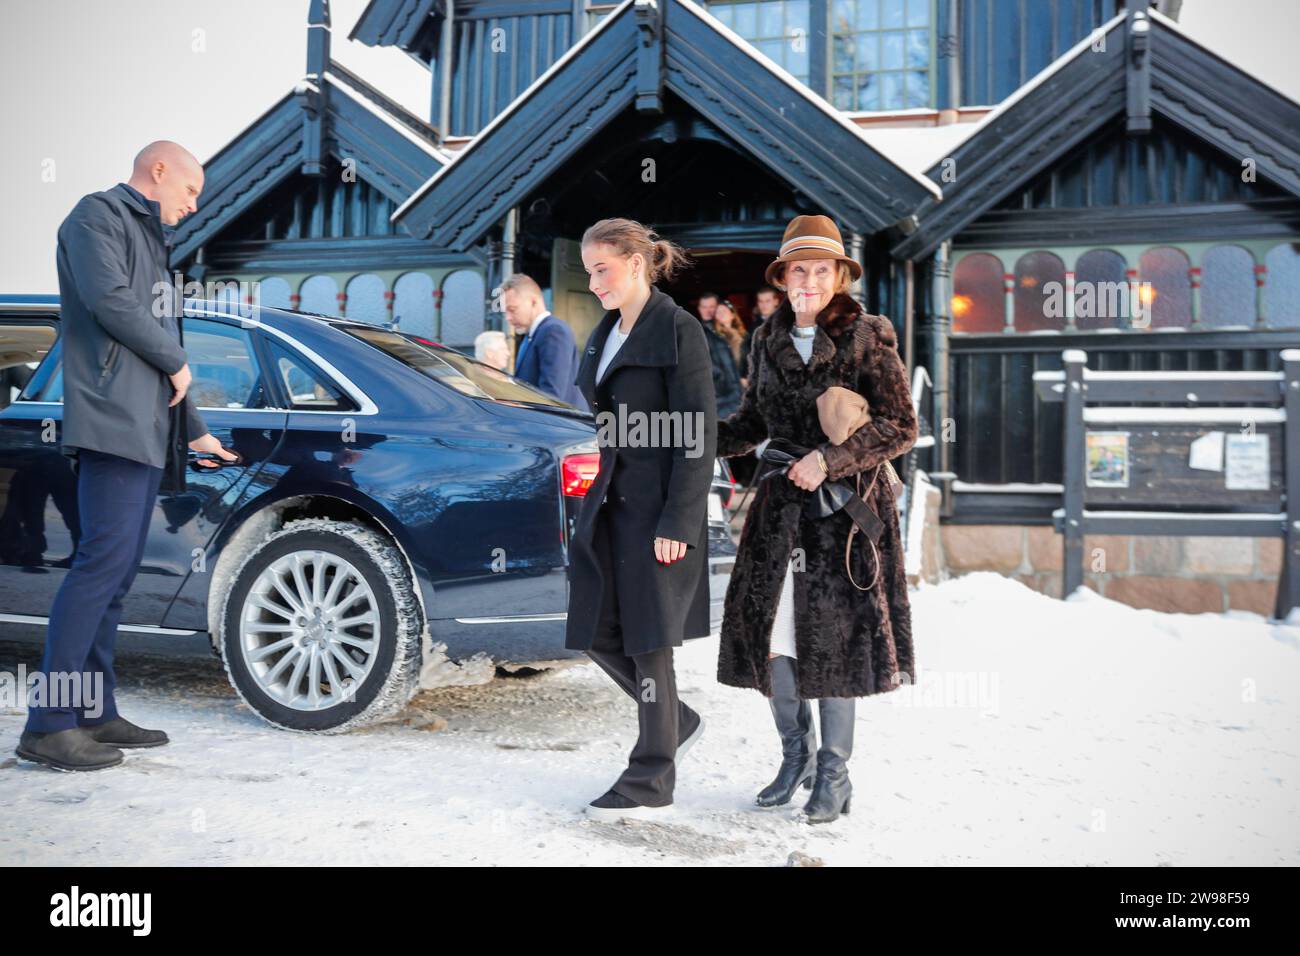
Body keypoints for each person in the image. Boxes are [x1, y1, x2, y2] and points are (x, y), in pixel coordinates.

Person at [17, 141, 238, 772]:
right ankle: (48, 724)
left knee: (114, 578)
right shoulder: (95, 217)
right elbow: (111, 302)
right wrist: (175, 362)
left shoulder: (154, 242)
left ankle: (94, 710)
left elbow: (164, 346)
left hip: (146, 429)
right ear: (159, 170)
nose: (194, 205)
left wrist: (194, 429)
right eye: (191, 190)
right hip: (111, 422)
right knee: (95, 572)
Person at [715, 214, 918, 823]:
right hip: (780, 509)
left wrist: (829, 459)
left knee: (831, 641)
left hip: (842, 515)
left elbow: (901, 426)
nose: (808, 278)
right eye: (797, 269)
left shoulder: (868, 334)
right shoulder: (764, 338)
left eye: (820, 269)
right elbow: (754, 424)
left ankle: (834, 773)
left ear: (837, 275)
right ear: (783, 278)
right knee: (773, 640)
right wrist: (701, 437)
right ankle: (794, 754)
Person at [564, 217, 716, 821]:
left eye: (602, 269)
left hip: (658, 511)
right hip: (606, 504)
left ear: (635, 262)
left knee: (650, 640)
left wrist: (680, 522)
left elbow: (697, 438)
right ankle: (676, 719)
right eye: (588, 272)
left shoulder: (679, 330)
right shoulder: (604, 335)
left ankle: (652, 777)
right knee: (596, 627)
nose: (595, 283)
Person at [500, 273, 589, 411]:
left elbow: (551, 396)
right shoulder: (533, 334)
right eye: (505, 312)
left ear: (533, 302)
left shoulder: (553, 331)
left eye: (512, 309)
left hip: (561, 427)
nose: (508, 318)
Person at [697, 291, 742, 420]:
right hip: (720, 397)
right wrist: (720, 379)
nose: (708, 311)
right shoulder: (698, 332)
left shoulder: (723, 331)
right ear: (699, 309)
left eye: (711, 307)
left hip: (734, 395)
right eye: (704, 307)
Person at [740, 284, 782, 380]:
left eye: (768, 301)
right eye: (761, 301)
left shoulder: (787, 323)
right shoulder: (753, 327)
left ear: (775, 302)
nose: (764, 305)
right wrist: (744, 375)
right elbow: (747, 352)